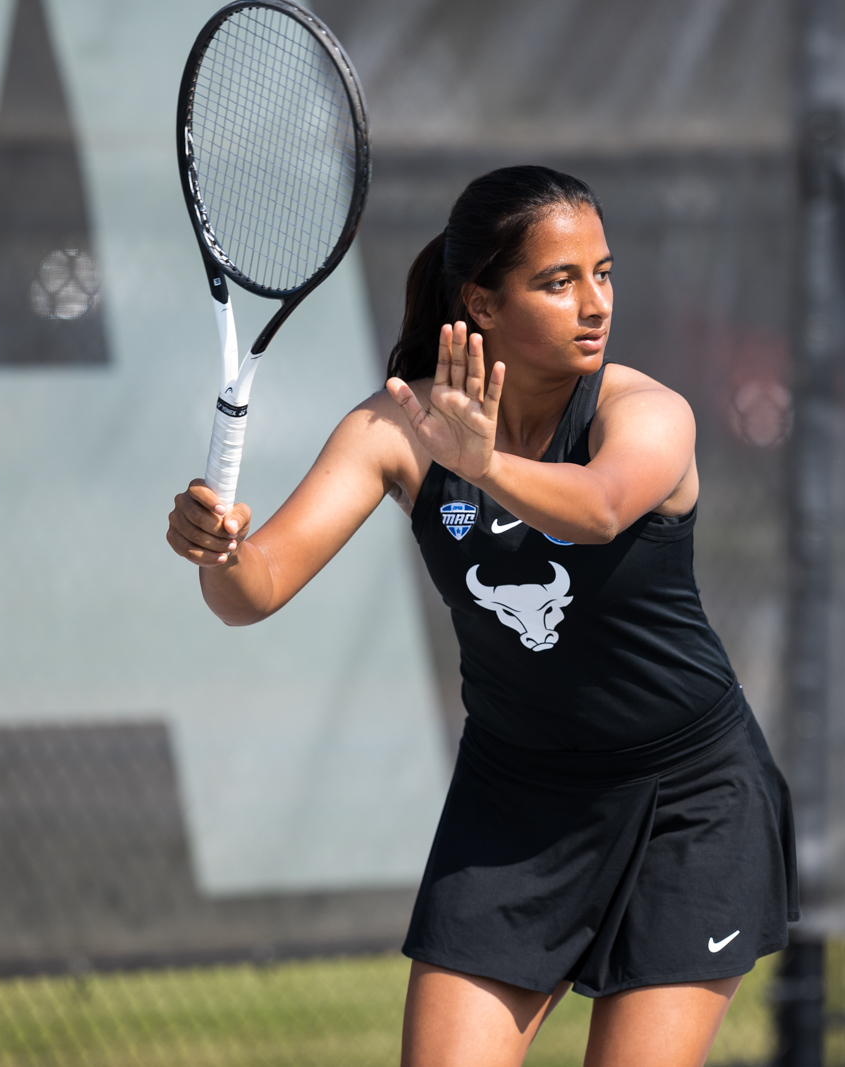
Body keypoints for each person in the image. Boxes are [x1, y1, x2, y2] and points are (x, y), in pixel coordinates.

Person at [167, 165, 797, 1067]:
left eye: (604, 273)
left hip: (692, 797)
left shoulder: (648, 411)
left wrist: (486, 464)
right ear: (482, 304)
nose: (595, 303)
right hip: (515, 800)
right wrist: (219, 550)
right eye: (557, 280)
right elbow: (255, 590)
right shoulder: (394, 429)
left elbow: (601, 506)